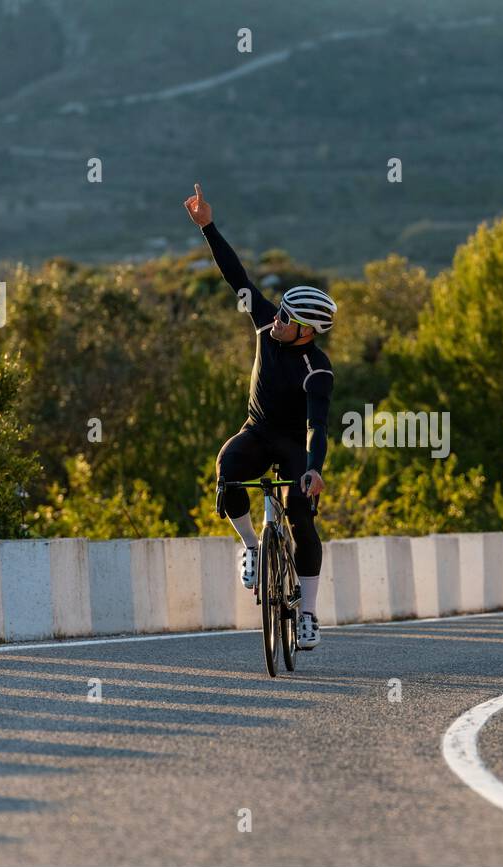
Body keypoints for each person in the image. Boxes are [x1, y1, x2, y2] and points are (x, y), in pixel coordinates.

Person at [184, 184, 335, 649]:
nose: (277, 321)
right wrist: (208, 225)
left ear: (307, 332)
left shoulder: (317, 369)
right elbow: (237, 276)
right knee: (227, 472)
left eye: (288, 319)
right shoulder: (268, 325)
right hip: (257, 430)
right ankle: (251, 545)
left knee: (302, 521)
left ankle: (307, 614)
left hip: (293, 445)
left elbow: (317, 424)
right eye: (280, 312)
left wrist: (313, 469)